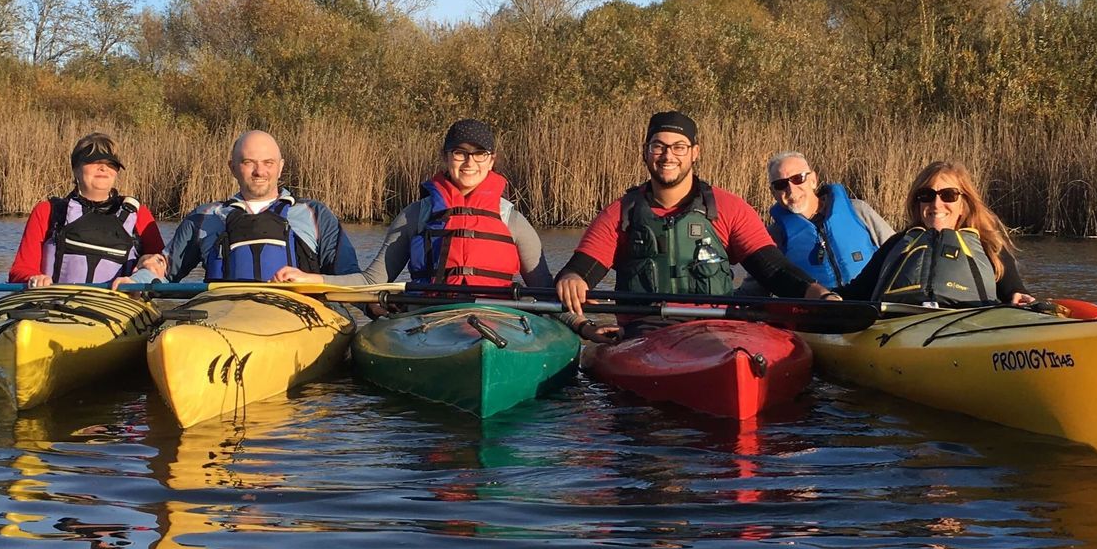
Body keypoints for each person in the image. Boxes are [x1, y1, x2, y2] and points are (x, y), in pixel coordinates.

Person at [553, 111, 833, 339]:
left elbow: (773, 269)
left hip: (719, 328)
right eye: (658, 146)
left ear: (694, 152)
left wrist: (818, 293)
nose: (667, 156)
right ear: (646, 152)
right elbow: (578, 271)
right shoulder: (620, 213)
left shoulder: (729, 208)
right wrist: (573, 280)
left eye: (678, 147)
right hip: (646, 333)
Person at [275, 118, 552, 290]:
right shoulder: (415, 216)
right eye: (460, 153)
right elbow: (373, 281)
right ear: (445, 157)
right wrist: (313, 278)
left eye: (480, 154)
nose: (470, 163)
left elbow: (544, 289)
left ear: (492, 161)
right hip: (432, 318)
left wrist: (581, 325)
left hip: (501, 319)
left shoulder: (511, 219)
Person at [165, 129, 358, 281]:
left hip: (298, 316)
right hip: (227, 314)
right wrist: (142, 275)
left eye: (268, 163)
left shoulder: (315, 214)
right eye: (249, 162)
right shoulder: (204, 217)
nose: (260, 171)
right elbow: (163, 269)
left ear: (281, 167)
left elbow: (349, 276)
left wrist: (374, 308)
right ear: (232, 168)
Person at [841, 159, 1035, 306]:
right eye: (926, 195)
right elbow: (854, 294)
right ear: (917, 204)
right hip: (901, 333)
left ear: (964, 204)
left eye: (948, 195)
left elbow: (1014, 290)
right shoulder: (897, 245)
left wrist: (1019, 296)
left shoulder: (988, 246)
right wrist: (816, 292)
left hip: (969, 332)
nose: (936, 204)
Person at [7, 132, 168, 288]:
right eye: (94, 161)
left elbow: (162, 270)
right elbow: (19, 270)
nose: (103, 168)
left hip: (118, 307)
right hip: (52, 305)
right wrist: (33, 279)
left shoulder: (139, 215)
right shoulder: (47, 211)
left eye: (111, 163)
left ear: (117, 172)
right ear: (76, 169)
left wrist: (144, 273)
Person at [763, 150, 895, 289]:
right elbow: (754, 287)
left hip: (868, 306)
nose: (791, 189)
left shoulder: (859, 211)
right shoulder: (773, 236)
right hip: (815, 309)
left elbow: (900, 254)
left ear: (813, 180)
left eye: (798, 179)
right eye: (780, 185)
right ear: (773, 193)